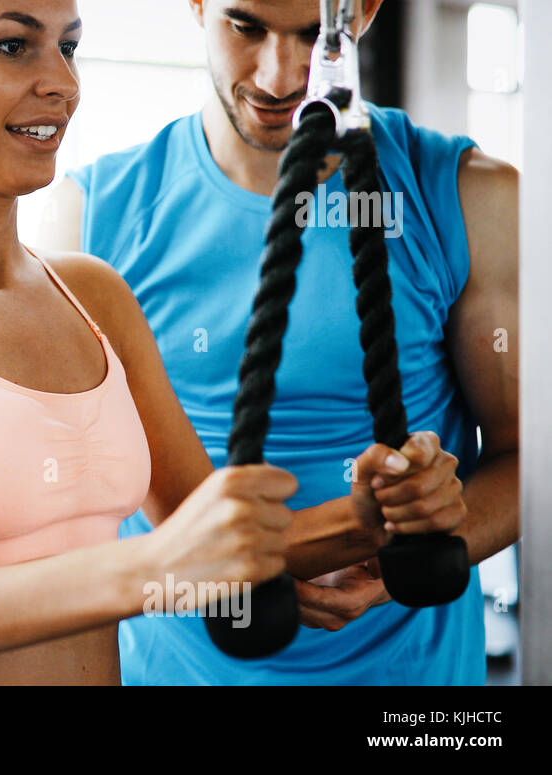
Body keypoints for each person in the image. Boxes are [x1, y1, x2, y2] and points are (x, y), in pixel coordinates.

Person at [0, 0, 462, 685]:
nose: (61, 83)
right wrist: (150, 566)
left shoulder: (92, 292)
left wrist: (374, 515)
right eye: (14, 46)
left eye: (68, 48)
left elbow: (215, 540)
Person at [38, 0, 521, 685]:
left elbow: (526, 454)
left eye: (311, 34)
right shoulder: (91, 217)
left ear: (366, 10)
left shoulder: (472, 196)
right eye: (246, 26)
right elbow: (73, 505)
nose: (278, 75)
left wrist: (420, 550)